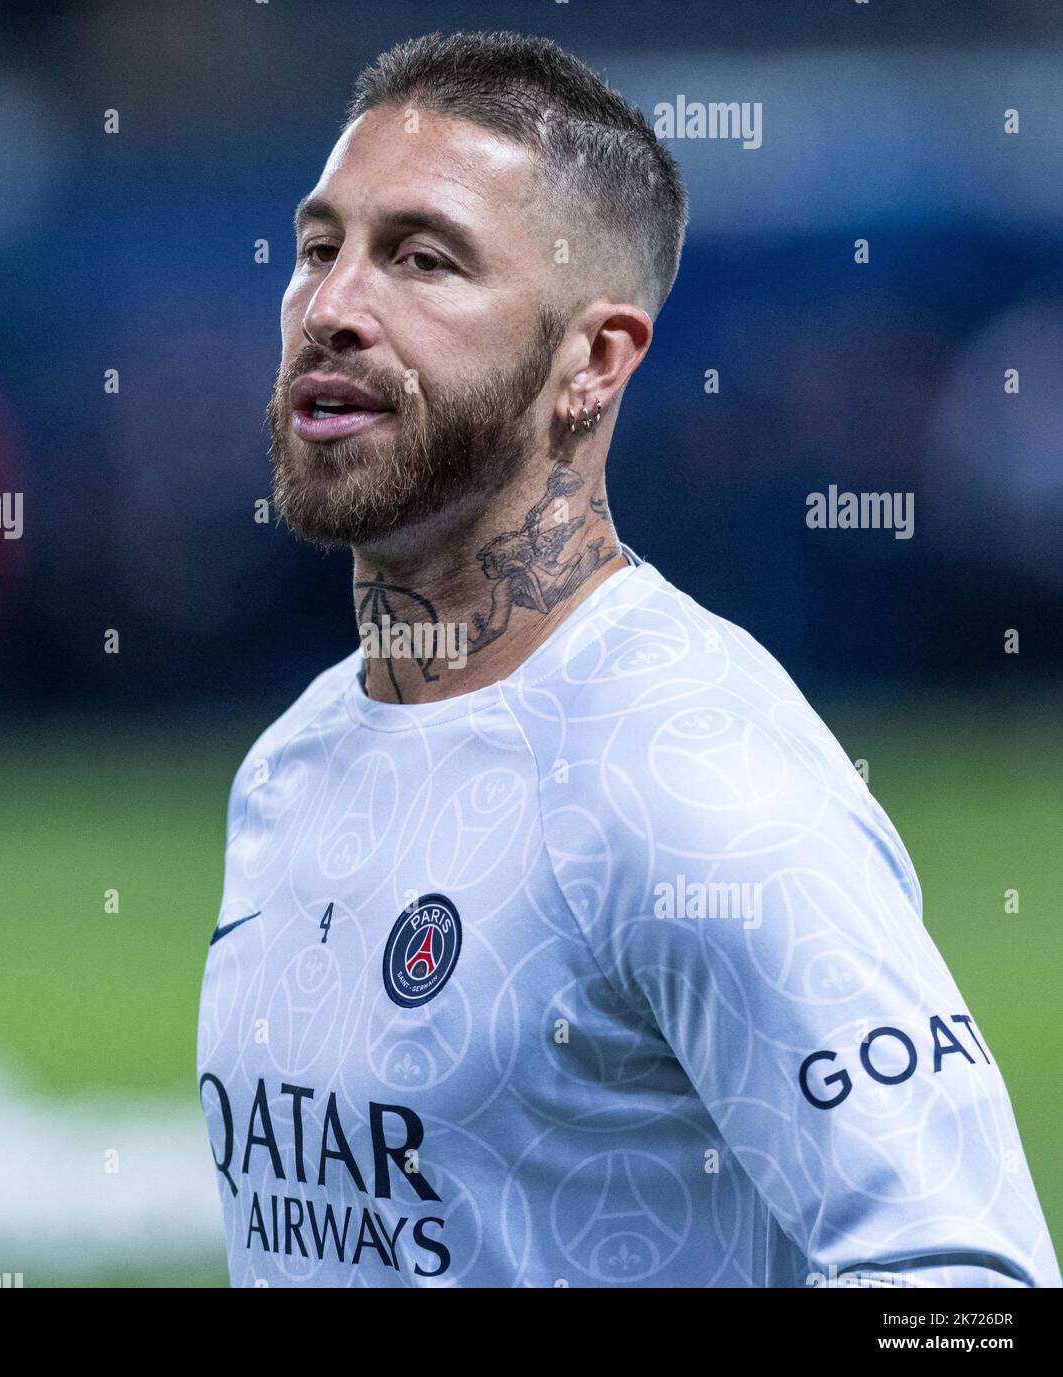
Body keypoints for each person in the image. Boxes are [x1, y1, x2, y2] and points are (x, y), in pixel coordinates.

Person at [197, 30, 1060, 1288]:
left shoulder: (692, 776)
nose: (331, 308)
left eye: (421, 260)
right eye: (320, 248)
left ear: (592, 361)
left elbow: (967, 1279)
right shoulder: (293, 761)